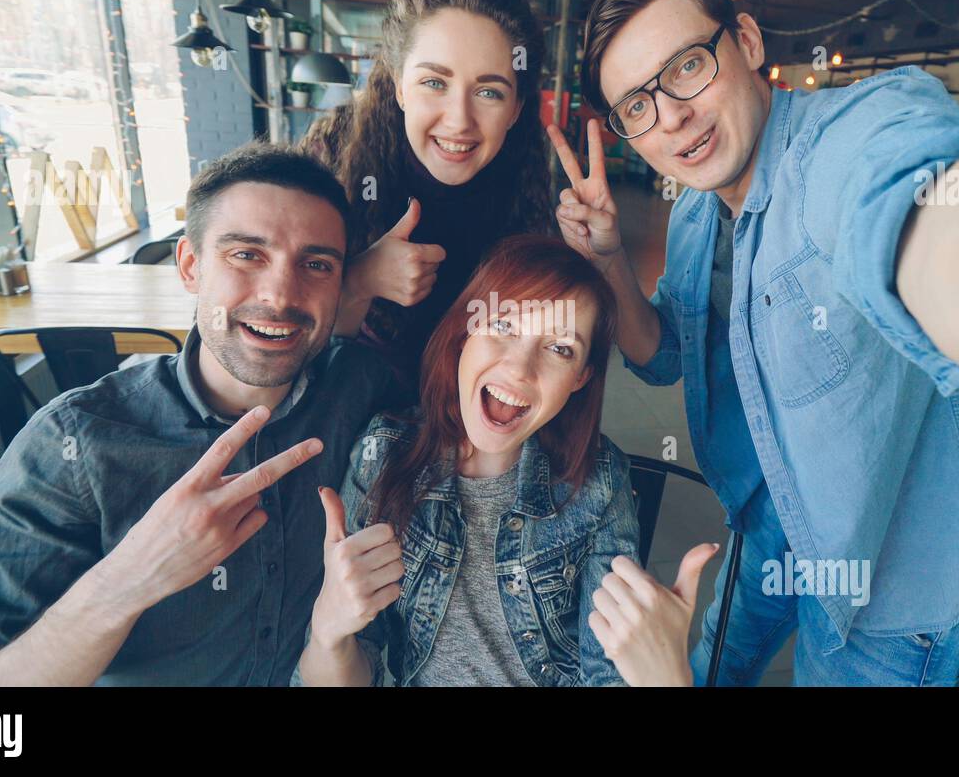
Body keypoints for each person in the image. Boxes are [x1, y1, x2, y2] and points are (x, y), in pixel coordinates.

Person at [548, 0, 959, 686]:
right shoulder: (698, 213)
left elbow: (894, 190)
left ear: (749, 43)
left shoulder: (841, 138)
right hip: (773, 516)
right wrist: (605, 256)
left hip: (900, 561)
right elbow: (661, 351)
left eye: (688, 66)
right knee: (703, 667)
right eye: (638, 105)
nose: (672, 116)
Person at [0, 142, 396, 686]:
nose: (280, 295)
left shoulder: (363, 388)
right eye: (246, 254)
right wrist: (133, 576)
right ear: (191, 267)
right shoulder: (72, 445)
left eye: (315, 264)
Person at [294, 235, 713, 686]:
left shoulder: (600, 479)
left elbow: (606, 672)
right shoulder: (384, 453)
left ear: (580, 379)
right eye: (505, 326)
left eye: (560, 349)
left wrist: (668, 679)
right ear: (463, 332)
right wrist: (329, 632)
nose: (520, 367)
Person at [304, 0, 554, 399]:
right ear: (400, 84)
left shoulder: (528, 187)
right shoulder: (334, 155)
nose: (459, 120)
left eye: (489, 91)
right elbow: (280, 333)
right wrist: (361, 280)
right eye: (434, 82)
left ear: (516, 108)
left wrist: (594, 265)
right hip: (343, 427)